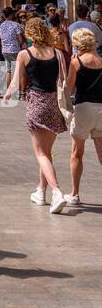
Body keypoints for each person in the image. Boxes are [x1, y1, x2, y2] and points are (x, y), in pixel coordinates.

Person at [6, 17, 68, 213]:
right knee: (47, 153)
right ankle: (40, 192)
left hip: (36, 103)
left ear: (29, 33)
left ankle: (56, 192)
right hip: (54, 104)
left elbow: (16, 82)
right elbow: (63, 80)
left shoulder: (25, 54)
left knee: (40, 154)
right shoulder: (57, 53)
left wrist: (7, 95)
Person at [65, 27, 102, 206]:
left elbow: (70, 88)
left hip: (84, 108)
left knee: (77, 153)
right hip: (101, 109)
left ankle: (75, 194)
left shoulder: (76, 62)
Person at [0, 6, 25, 93]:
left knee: (9, 70)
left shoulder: (1, 26)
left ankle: (9, 90)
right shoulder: (16, 25)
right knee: (19, 70)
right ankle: (21, 91)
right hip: (15, 49)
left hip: (5, 50)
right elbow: (20, 39)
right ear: (11, 14)